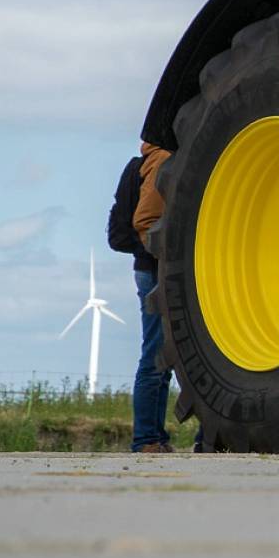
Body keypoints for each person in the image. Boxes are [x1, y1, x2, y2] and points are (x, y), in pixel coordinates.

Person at [106, 142, 173, 453]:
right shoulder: (166, 165)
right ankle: (147, 439)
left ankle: (152, 438)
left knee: (158, 355)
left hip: (144, 268)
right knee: (160, 356)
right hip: (161, 268)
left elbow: (117, 234)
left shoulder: (135, 167)